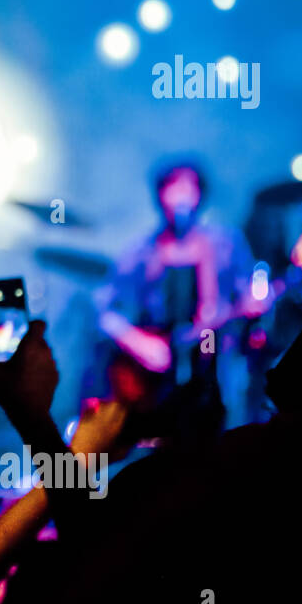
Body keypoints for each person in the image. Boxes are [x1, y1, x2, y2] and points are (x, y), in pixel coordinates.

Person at [93, 159, 266, 440]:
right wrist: (139, 342)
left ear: (201, 194)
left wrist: (253, 303)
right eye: (173, 187)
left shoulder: (224, 244)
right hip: (154, 384)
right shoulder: (141, 252)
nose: (181, 196)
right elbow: (105, 310)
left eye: (189, 186)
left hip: (213, 372)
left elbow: (251, 292)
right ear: (159, 195)